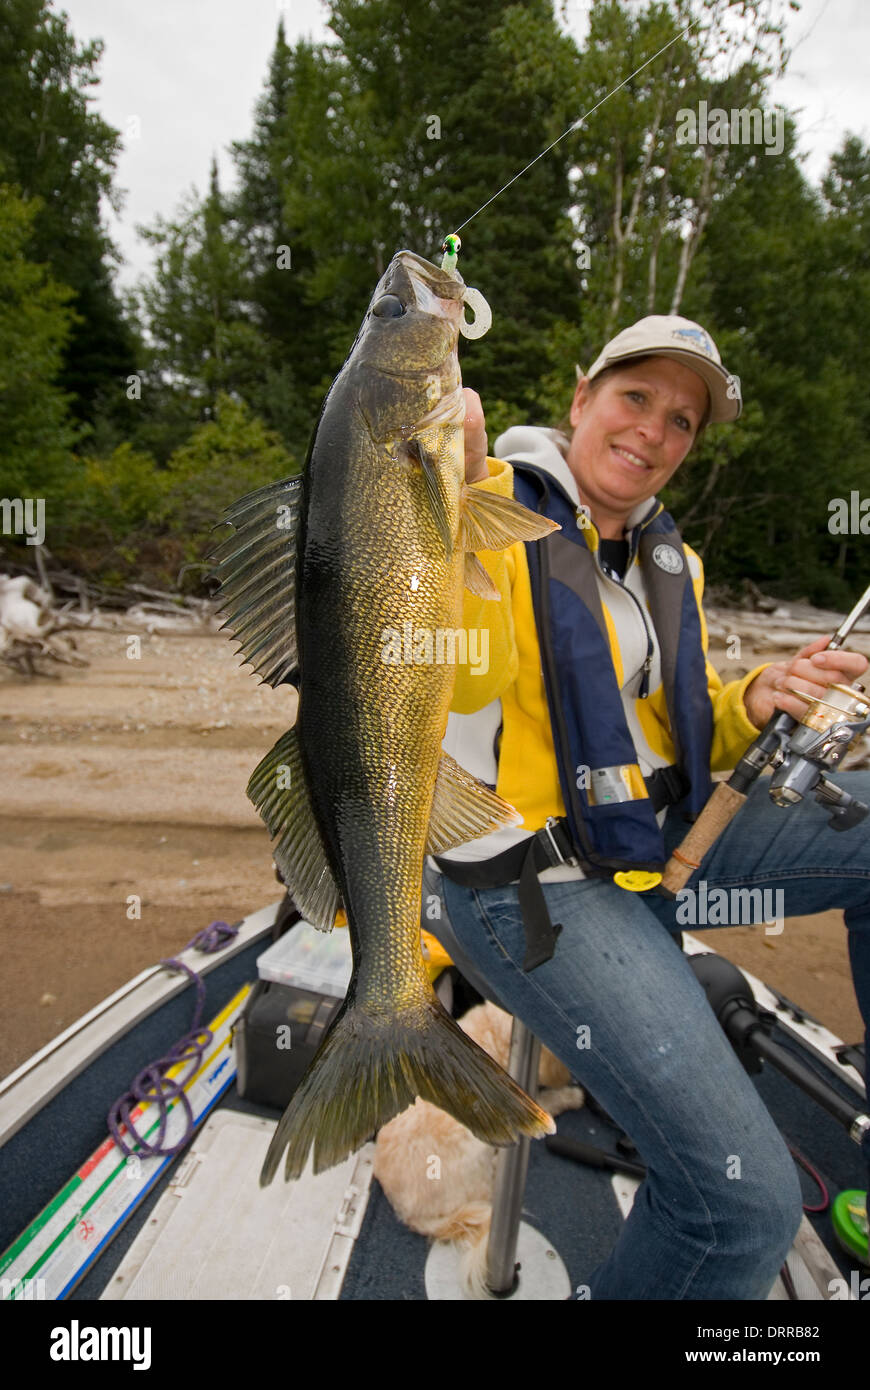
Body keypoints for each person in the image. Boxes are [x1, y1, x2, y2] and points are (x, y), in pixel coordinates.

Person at [426, 315, 870, 1299]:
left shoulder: (671, 560)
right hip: (524, 881)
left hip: (653, 839)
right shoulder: (485, 504)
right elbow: (454, 682)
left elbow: (671, 733)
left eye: (682, 420)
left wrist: (755, 697)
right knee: (744, 1205)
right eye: (637, 398)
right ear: (582, 396)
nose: (655, 431)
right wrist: (442, 511)